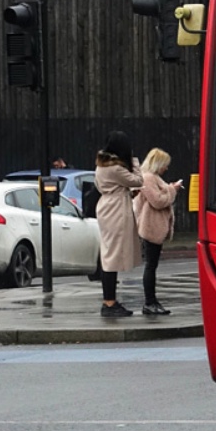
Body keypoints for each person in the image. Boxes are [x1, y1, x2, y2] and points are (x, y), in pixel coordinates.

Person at [93, 131, 144, 317]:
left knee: (109, 254)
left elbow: (105, 187)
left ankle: (110, 300)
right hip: (116, 209)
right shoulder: (115, 168)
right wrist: (135, 161)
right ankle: (109, 302)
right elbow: (138, 180)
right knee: (112, 257)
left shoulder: (101, 166)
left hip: (107, 205)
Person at [133, 147, 182, 316]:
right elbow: (158, 201)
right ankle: (149, 302)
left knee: (152, 265)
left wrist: (168, 189)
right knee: (151, 266)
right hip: (150, 227)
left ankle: (152, 301)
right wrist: (172, 190)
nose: (166, 168)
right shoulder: (147, 178)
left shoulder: (152, 178)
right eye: (165, 165)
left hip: (154, 226)